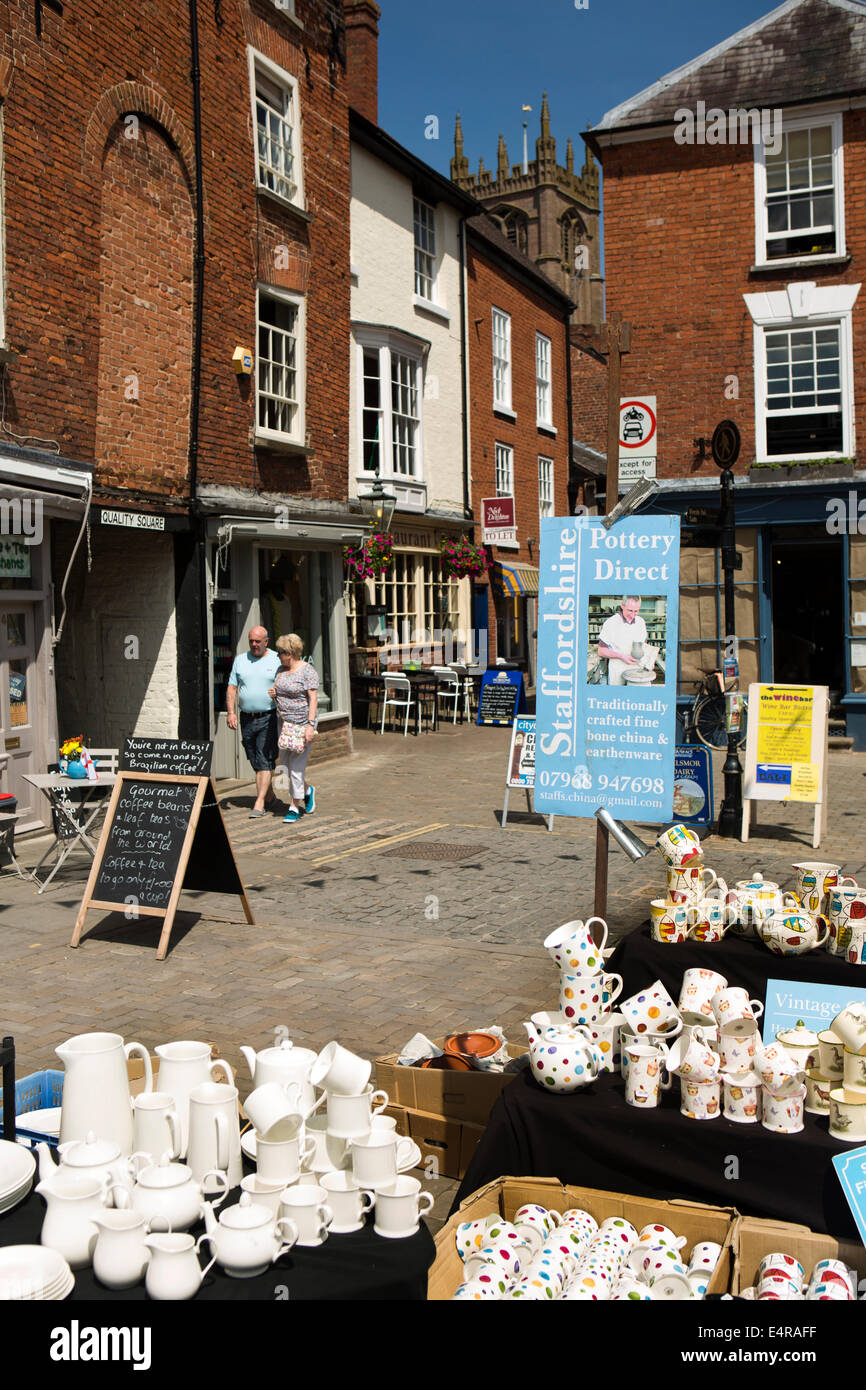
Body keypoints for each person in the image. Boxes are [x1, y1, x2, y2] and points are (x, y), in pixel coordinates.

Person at [226, 626, 281, 817]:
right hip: (246, 718)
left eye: (258, 641)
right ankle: (270, 796)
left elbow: (287, 684)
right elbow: (232, 688)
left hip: (268, 716)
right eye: (251, 641)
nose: (254, 645)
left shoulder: (276, 659)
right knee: (255, 759)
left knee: (265, 758)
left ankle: (259, 803)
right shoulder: (240, 660)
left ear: (266, 641)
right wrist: (230, 712)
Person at [269, 633, 319, 825]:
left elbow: (313, 699)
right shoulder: (281, 670)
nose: (278, 656)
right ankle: (307, 791)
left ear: (289, 653)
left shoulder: (307, 671)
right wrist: (274, 694)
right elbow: (280, 694)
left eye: (280, 653)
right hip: (284, 724)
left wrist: (310, 726)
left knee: (297, 768)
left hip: (302, 724)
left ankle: (294, 806)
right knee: (287, 766)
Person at [597, 596, 648, 687]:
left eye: (636, 611)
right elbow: (601, 651)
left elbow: (644, 646)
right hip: (618, 670)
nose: (633, 615)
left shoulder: (641, 622)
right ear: (622, 606)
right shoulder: (611, 623)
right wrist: (622, 656)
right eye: (630, 610)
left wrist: (648, 659)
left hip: (637, 669)